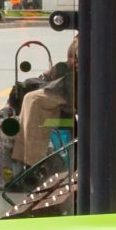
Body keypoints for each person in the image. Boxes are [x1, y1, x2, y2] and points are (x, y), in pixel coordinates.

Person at [14, 35, 78, 170]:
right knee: (29, 98)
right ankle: (25, 157)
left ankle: (33, 160)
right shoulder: (81, 39)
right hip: (69, 87)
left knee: (34, 100)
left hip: (74, 88)